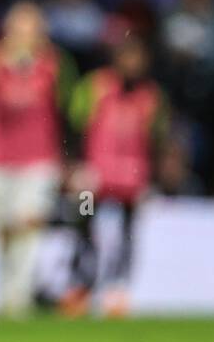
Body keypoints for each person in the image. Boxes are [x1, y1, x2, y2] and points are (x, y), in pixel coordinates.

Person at [0, 3, 76, 317]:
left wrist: (69, 159)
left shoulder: (55, 66)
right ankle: (4, 290)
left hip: (39, 158)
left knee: (29, 224)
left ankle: (18, 298)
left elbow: (69, 111)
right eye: (19, 29)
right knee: (1, 228)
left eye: (31, 29)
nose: (25, 36)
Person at [61, 35, 168, 317]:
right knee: (85, 233)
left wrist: (152, 181)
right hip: (95, 175)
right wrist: (76, 167)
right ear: (115, 60)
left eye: (138, 59)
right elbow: (74, 126)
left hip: (133, 178)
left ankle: (116, 292)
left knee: (126, 236)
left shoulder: (152, 96)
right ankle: (80, 288)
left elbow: (157, 140)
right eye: (127, 58)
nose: (133, 64)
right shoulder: (94, 87)